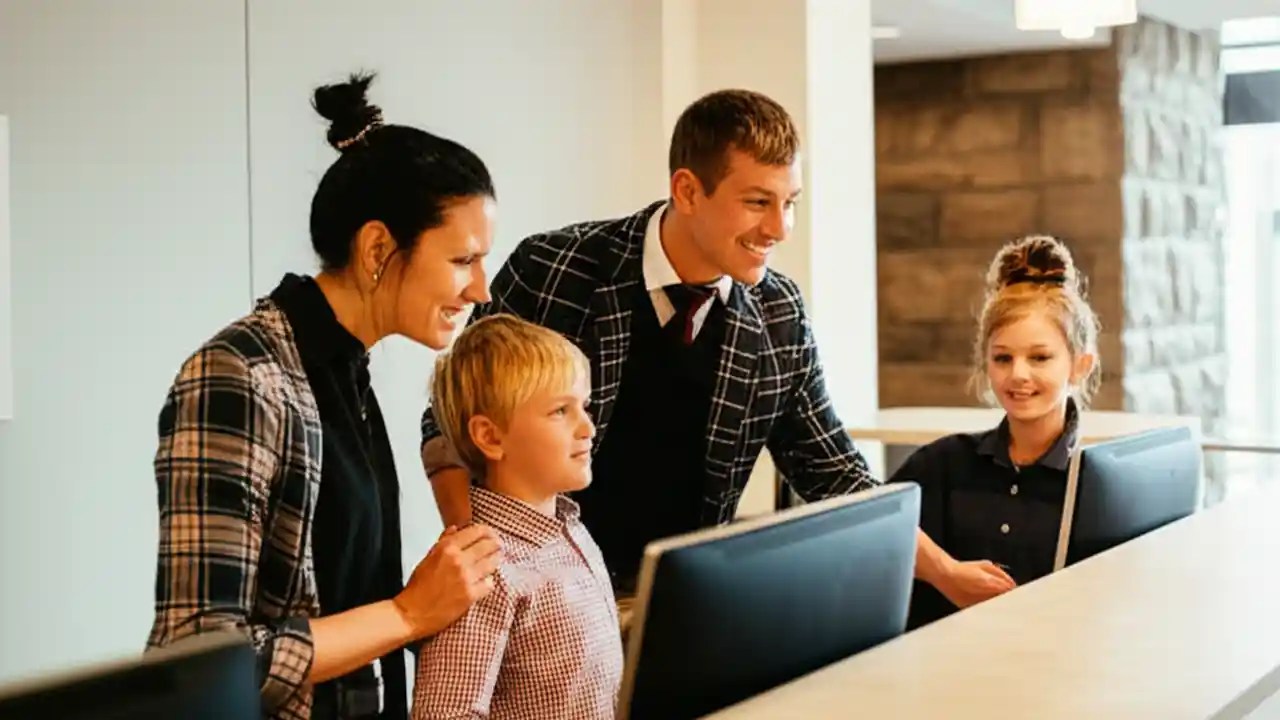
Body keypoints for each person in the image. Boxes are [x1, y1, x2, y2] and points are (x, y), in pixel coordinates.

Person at [419, 88, 1014, 632]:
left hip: (678, 604)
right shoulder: (558, 268)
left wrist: (946, 573)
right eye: (757, 202)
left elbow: (835, 475)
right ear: (687, 190)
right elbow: (450, 424)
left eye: (790, 202)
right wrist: (473, 548)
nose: (779, 228)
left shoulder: (779, 313)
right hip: (540, 594)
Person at [146, 72, 503, 720]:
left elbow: (339, 603)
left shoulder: (345, 371)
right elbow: (197, 663)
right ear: (377, 249)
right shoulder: (238, 377)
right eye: (462, 260)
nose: (481, 288)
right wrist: (409, 610)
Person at [412, 314, 622, 719]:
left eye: (585, 407)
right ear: (490, 437)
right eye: (560, 410)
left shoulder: (573, 532)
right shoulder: (481, 573)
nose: (588, 428)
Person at [889, 235, 1101, 628]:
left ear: (1079, 366)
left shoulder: (1097, 486)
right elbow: (872, 537)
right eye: (1003, 358)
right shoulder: (940, 465)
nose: (1018, 374)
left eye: (1039, 357)